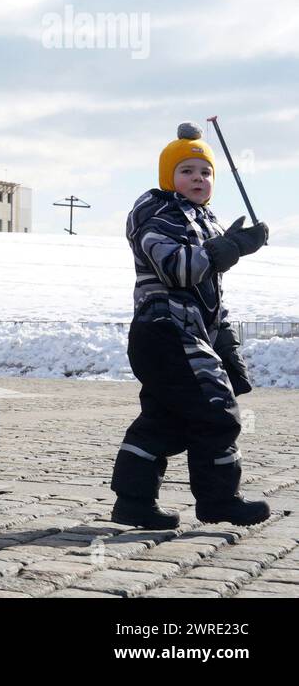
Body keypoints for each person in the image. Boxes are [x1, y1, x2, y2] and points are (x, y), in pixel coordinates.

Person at [109, 122, 270, 528]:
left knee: (165, 420)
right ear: (168, 176)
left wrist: (229, 354)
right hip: (163, 331)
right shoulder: (155, 213)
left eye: (205, 172)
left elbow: (212, 301)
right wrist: (230, 248)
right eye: (187, 171)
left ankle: (133, 502)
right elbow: (177, 269)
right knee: (216, 412)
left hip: (185, 335)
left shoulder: (205, 221)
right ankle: (220, 501)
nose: (198, 178)